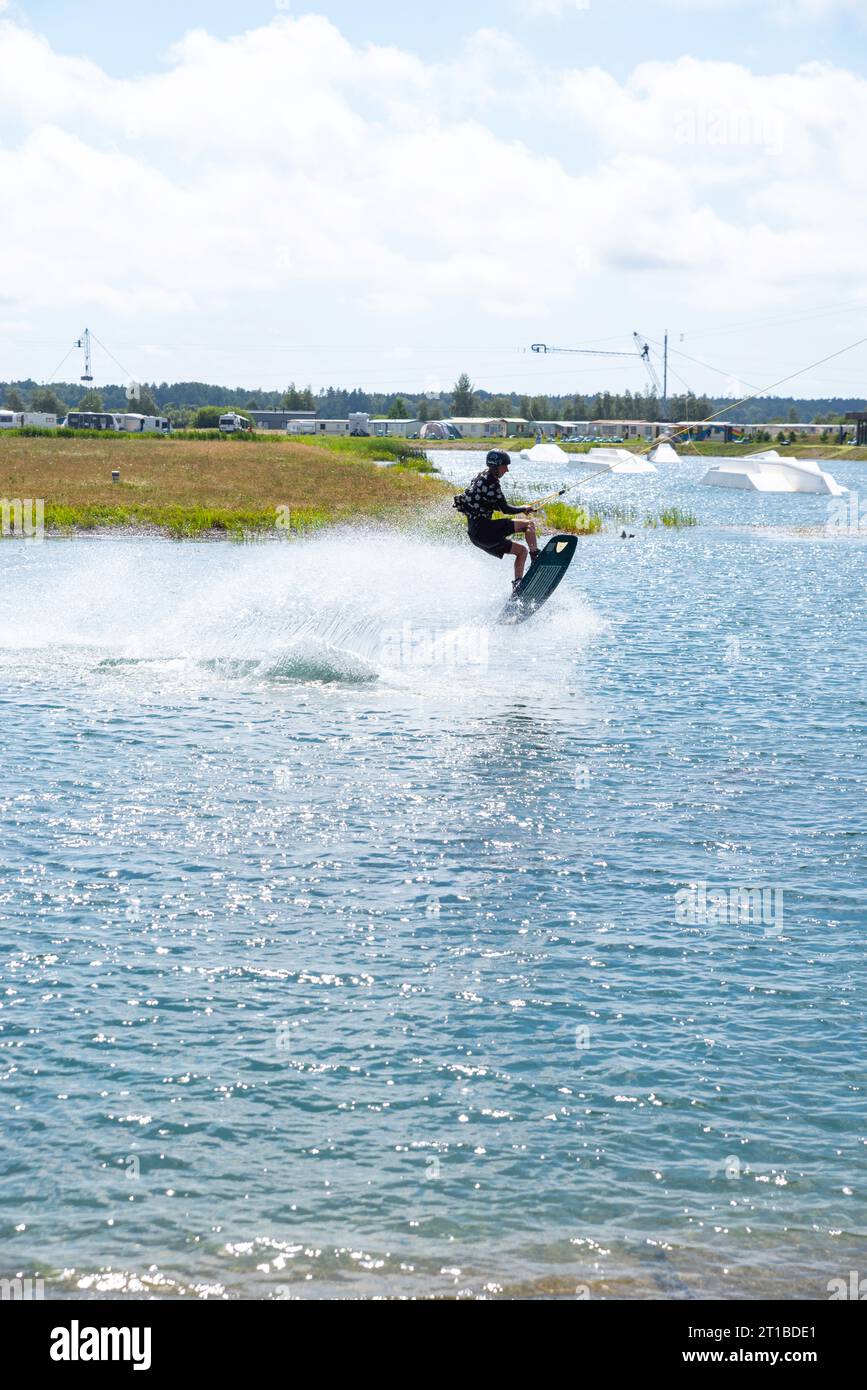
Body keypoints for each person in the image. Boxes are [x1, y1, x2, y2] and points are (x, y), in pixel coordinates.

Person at [454, 449, 540, 594]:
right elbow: (505, 509)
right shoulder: (492, 483)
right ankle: (536, 558)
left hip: (476, 537)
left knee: (521, 551)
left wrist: (520, 508)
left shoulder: (480, 478)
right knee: (528, 525)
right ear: (496, 466)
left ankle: (517, 587)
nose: (507, 470)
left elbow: (484, 502)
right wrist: (523, 508)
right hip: (485, 529)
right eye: (504, 466)